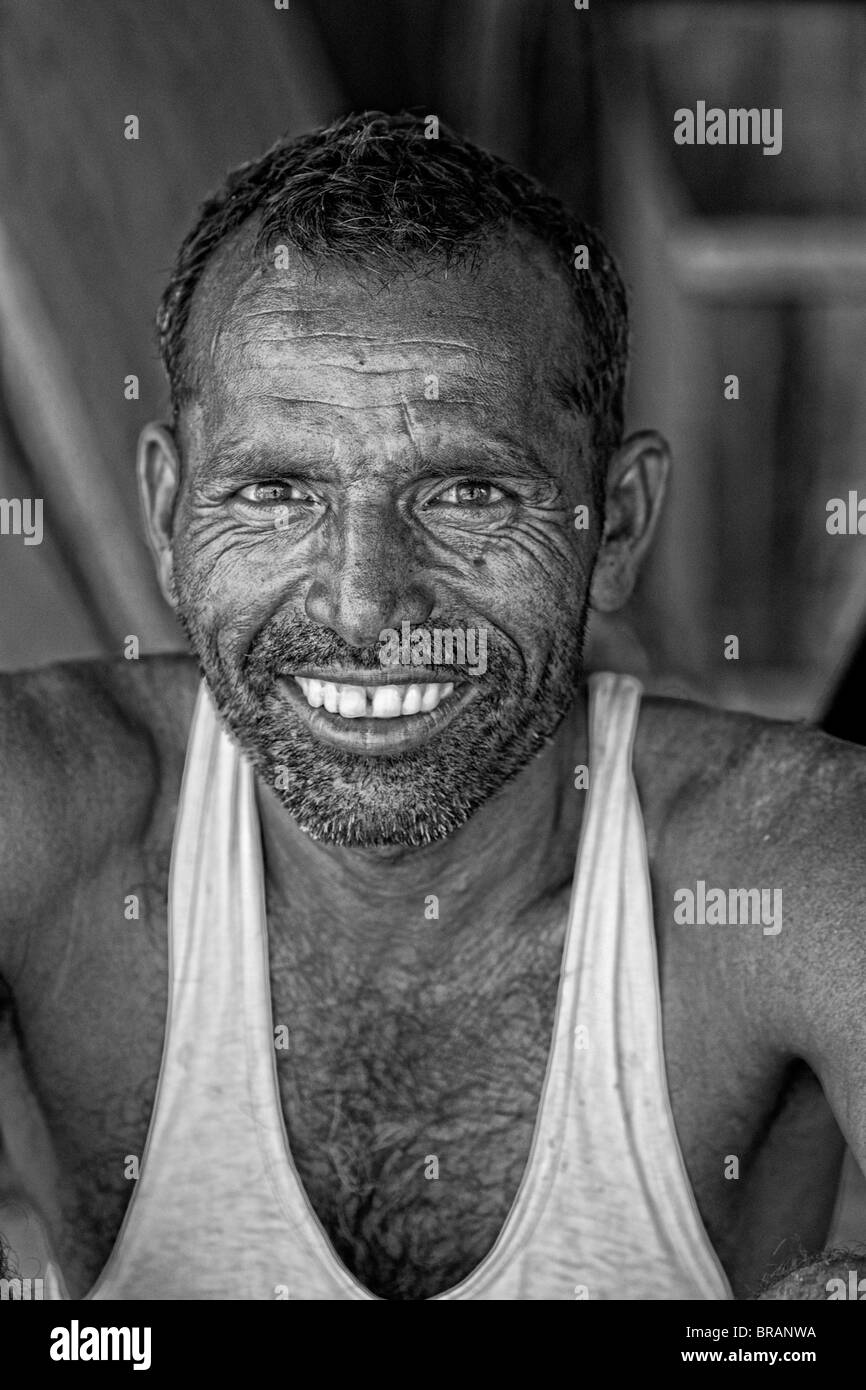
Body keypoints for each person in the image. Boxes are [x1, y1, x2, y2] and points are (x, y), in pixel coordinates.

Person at [0, 112, 863, 1302]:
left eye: (464, 491)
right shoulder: (38, 815)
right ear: (166, 513)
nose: (363, 608)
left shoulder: (796, 861)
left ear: (611, 523)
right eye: (274, 490)